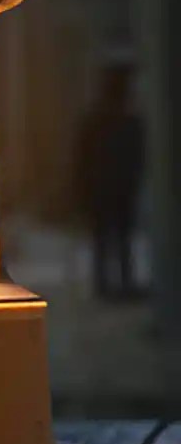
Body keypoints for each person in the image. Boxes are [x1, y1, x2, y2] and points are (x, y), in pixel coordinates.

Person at [74, 62, 145, 300]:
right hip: (116, 188)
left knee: (106, 240)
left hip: (104, 188)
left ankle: (107, 286)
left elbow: (82, 158)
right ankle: (118, 284)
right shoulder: (127, 121)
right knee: (117, 239)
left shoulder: (96, 121)